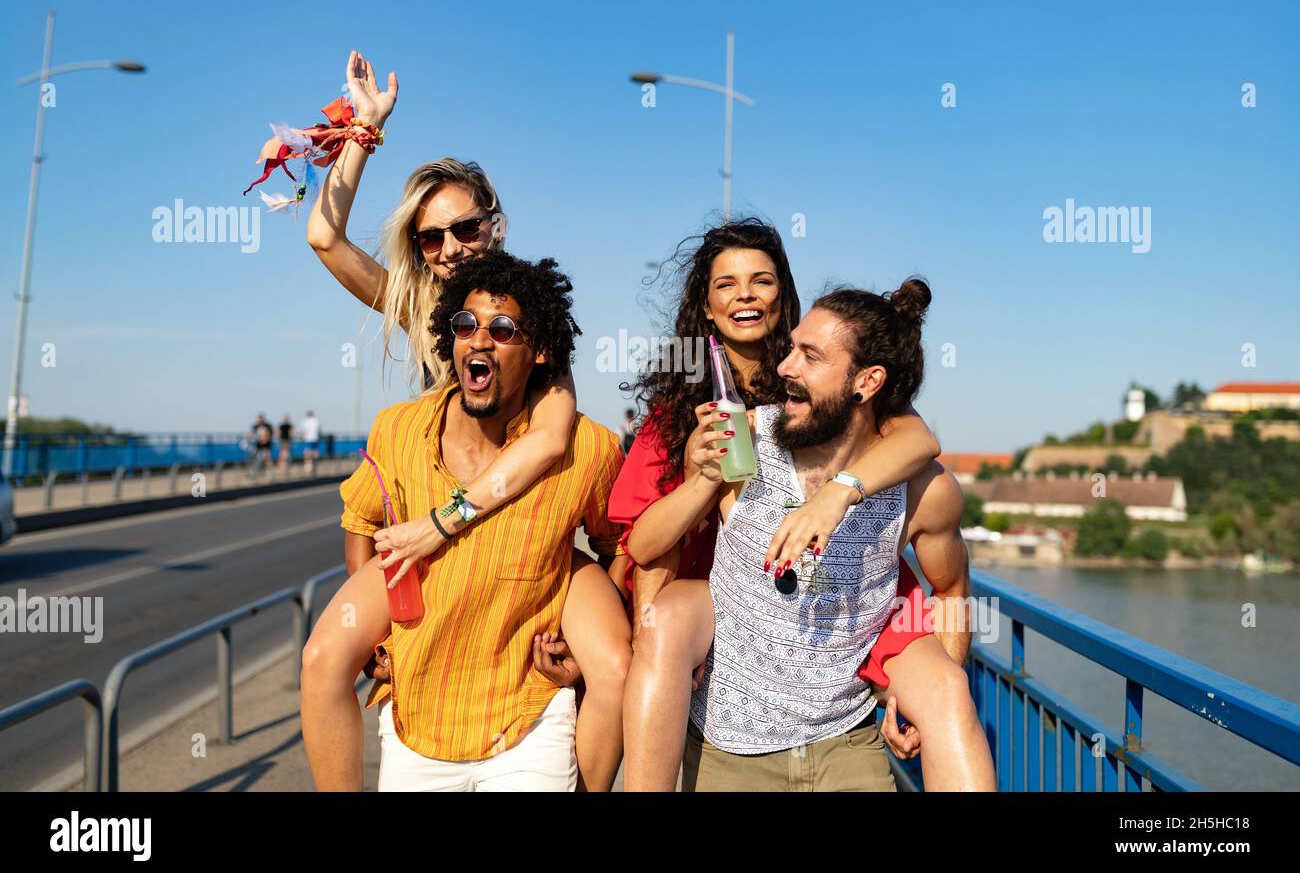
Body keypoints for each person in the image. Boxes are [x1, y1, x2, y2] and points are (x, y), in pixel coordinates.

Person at [300, 51, 630, 790]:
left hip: (523, 525)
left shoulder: (532, 322)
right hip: (438, 533)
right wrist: (361, 132)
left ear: (495, 224)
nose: (449, 249)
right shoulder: (422, 311)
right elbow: (323, 237)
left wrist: (441, 522)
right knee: (326, 657)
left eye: (465, 229)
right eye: (430, 238)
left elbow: (550, 443)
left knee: (610, 663)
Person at [611, 219, 943, 789]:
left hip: (828, 597)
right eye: (726, 285)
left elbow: (918, 440)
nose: (744, 294)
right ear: (706, 309)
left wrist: (839, 494)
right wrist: (655, 633)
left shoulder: (817, 385)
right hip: (715, 608)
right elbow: (641, 545)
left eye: (760, 280)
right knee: (664, 628)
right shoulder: (680, 412)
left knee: (943, 693)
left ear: (782, 295)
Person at [250, 413, 273, 478]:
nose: (259, 421)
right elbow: (252, 434)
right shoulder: (255, 426)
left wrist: (265, 440)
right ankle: (254, 471)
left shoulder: (267, 426)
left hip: (266, 444)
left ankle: (269, 472)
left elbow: (269, 435)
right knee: (254, 456)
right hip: (257, 444)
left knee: (267, 457)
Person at [301, 410, 321, 475]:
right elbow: (319, 430)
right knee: (315, 453)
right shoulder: (316, 420)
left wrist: (303, 437)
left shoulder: (305, 421)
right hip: (315, 439)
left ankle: (308, 467)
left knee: (307, 454)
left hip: (308, 439)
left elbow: (304, 431)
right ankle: (315, 465)